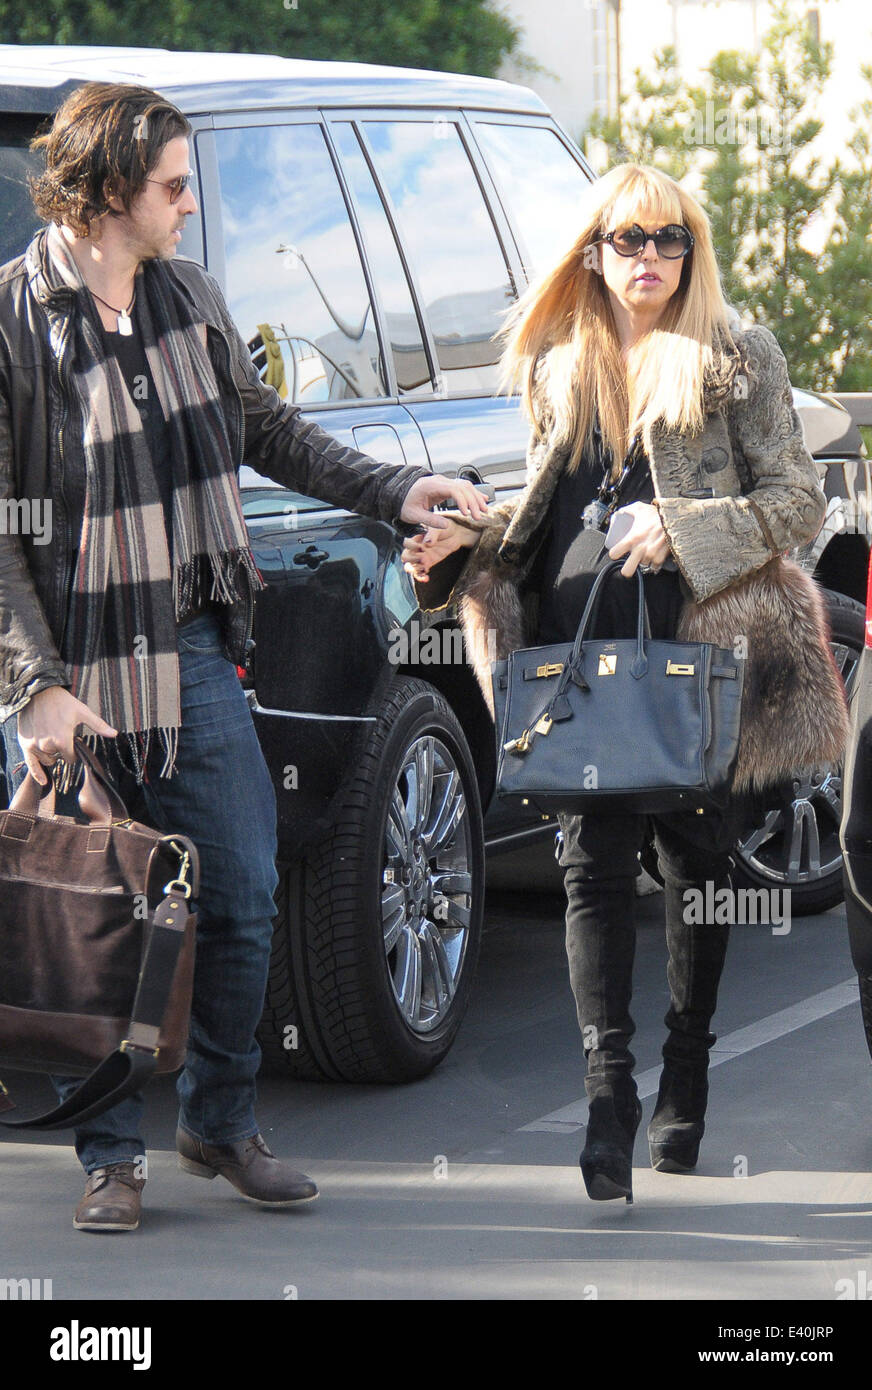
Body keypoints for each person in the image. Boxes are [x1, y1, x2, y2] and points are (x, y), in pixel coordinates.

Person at [0, 81, 490, 1233]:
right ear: (111, 187)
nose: (189, 202)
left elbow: (266, 428)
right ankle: (107, 1154)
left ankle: (218, 1119)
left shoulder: (187, 297)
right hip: (73, 671)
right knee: (97, 911)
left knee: (247, 891)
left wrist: (394, 486)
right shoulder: (17, 321)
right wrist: (36, 688)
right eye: (174, 184)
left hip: (193, 646)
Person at [402, 163, 849, 1204]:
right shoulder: (562, 362)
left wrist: (682, 527)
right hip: (575, 641)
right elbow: (545, 500)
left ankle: (684, 1068)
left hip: (697, 649)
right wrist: (469, 548)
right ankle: (609, 1091)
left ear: (691, 251)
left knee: (695, 859)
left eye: (668, 239)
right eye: (626, 239)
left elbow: (795, 505)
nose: (648, 257)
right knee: (589, 866)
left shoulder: (738, 358)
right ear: (593, 253)